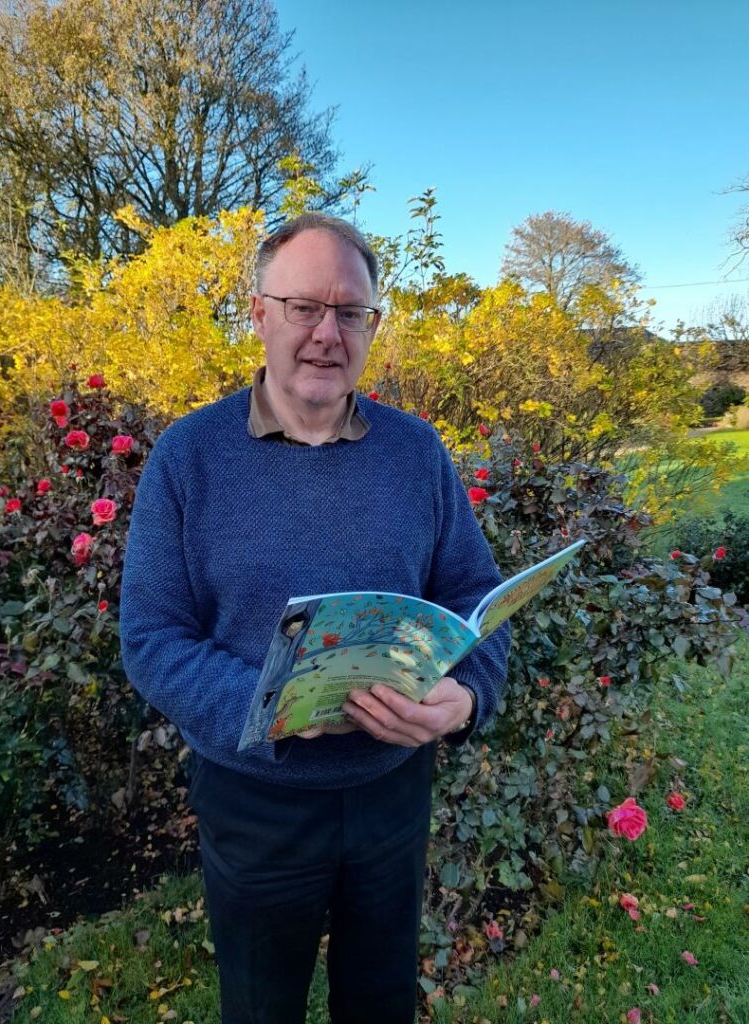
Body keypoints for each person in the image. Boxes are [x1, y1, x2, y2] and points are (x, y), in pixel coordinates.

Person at [120, 212, 511, 1024]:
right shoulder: (188, 458)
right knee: (262, 1007)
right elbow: (152, 639)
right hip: (254, 801)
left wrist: (466, 698)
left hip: (391, 792)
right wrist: (270, 707)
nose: (327, 334)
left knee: (381, 1003)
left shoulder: (416, 453)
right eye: (305, 308)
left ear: (372, 325)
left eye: (350, 313)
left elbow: (480, 597)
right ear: (259, 313)